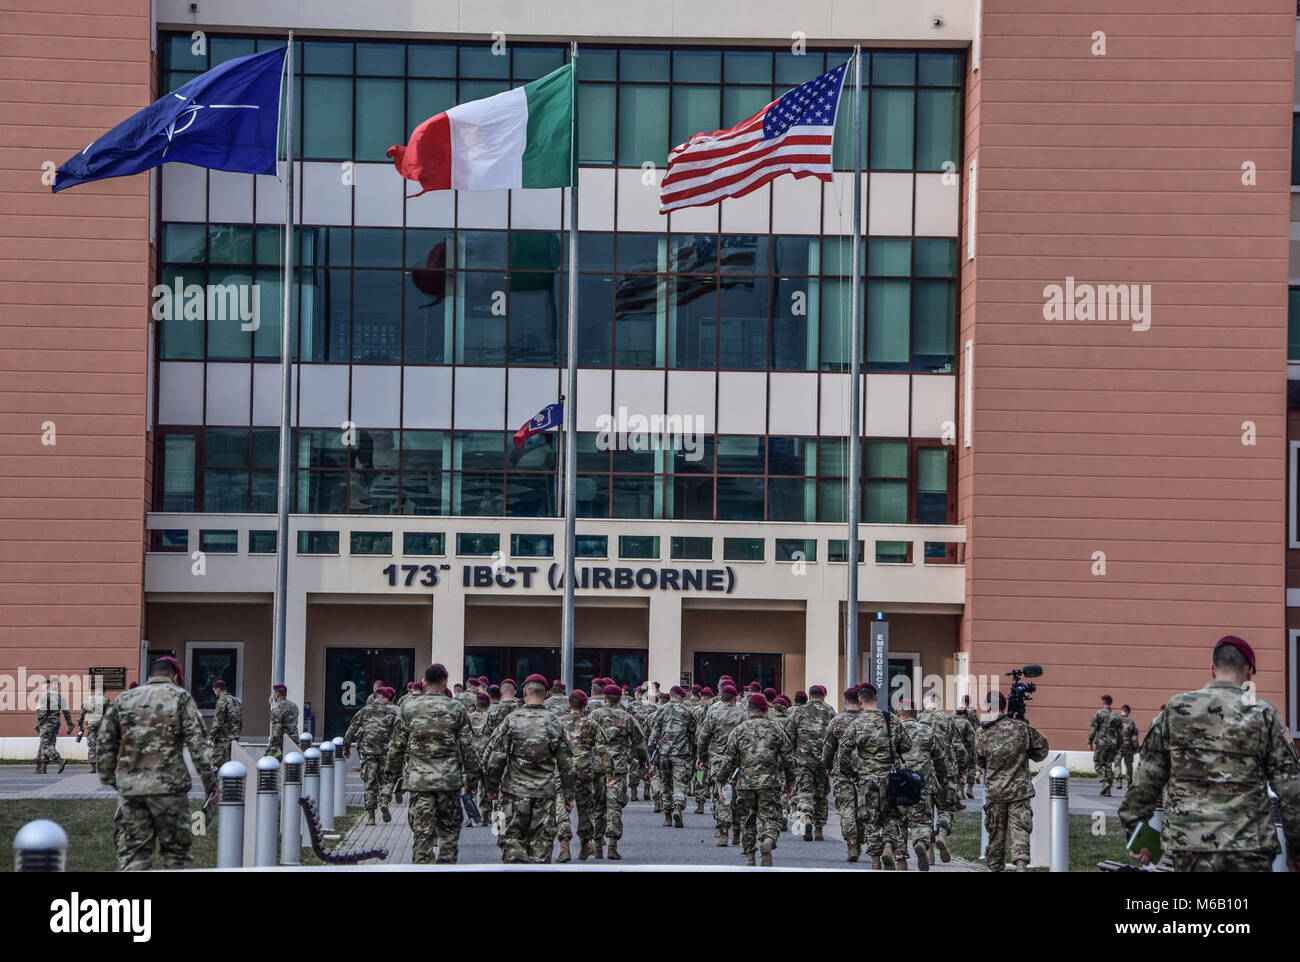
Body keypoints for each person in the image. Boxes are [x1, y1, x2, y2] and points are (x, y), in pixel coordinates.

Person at [1119, 636, 1300, 872]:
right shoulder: (1265, 714)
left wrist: (1135, 831)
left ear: (1212, 669)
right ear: (1250, 671)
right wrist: (1295, 849)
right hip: (1248, 846)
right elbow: (1290, 788)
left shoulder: (1175, 710)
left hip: (1190, 845)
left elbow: (1147, 777)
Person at [96, 656, 218, 870]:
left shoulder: (124, 699)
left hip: (131, 791)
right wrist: (211, 784)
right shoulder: (180, 698)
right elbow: (198, 745)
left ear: (150, 675)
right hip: (169, 790)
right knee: (177, 855)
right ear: (174, 676)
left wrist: (111, 779)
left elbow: (105, 743)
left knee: (134, 857)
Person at [384, 664, 478, 864]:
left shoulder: (409, 708)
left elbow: (396, 747)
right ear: (445, 682)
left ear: (424, 682)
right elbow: (469, 749)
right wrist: (473, 780)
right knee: (449, 836)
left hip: (420, 783)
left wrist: (391, 780)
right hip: (449, 783)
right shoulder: (457, 708)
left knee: (422, 836)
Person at [482, 674, 576, 864]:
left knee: (510, 841)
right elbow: (567, 764)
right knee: (541, 848)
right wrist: (568, 795)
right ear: (546, 694)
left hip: (513, 794)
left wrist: (491, 788)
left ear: (524, 693)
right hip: (545, 795)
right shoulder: (554, 722)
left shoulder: (511, 720)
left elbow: (496, 758)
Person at [975, 691, 1049, 872]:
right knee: (1020, 829)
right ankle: (1021, 865)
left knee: (996, 833)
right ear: (1004, 706)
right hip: (1019, 789)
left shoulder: (982, 732)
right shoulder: (1021, 728)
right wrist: (1026, 754)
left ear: (986, 707)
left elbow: (980, 761)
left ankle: (994, 867)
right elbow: (1042, 750)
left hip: (996, 791)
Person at [841, 683, 911, 870]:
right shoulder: (890, 719)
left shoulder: (857, 723)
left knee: (870, 820)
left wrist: (850, 773)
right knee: (891, 816)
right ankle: (889, 845)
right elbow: (906, 745)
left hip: (867, 778)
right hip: (890, 777)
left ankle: (875, 860)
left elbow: (843, 752)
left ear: (860, 700)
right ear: (876, 697)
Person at [722, 693, 795, 867]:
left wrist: (721, 781)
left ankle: (749, 858)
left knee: (747, 821)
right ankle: (768, 840)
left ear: (748, 708)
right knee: (771, 818)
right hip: (769, 783)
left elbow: (729, 760)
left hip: (745, 783)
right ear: (766, 709)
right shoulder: (776, 729)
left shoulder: (739, 730)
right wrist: (790, 782)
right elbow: (788, 759)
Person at [588, 682, 649, 859]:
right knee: (614, 806)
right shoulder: (627, 718)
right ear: (620, 699)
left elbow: (585, 740)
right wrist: (644, 761)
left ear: (605, 699)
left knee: (597, 807)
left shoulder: (594, 716)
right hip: (618, 769)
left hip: (597, 766)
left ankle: (598, 845)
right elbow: (639, 743)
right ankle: (612, 846)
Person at [895, 699, 953, 871]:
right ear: (916, 713)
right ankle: (920, 842)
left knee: (899, 823)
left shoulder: (893, 731)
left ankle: (901, 861)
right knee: (921, 822)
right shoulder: (927, 731)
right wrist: (943, 778)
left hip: (897, 785)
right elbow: (940, 758)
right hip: (921, 785)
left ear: (899, 713)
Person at [697, 683, 748, 846]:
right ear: (735, 697)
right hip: (739, 760)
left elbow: (703, 738)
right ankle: (738, 830)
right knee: (739, 795)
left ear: (721, 697)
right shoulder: (743, 713)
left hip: (719, 759)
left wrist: (702, 758)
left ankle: (723, 831)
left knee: (722, 795)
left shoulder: (713, 713)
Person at [786, 684, 836, 842]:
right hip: (823, 761)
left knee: (805, 792)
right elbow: (836, 736)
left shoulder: (798, 711)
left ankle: (806, 815)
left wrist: (792, 756)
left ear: (809, 696)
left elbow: (789, 736)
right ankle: (819, 829)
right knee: (821, 795)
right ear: (824, 696)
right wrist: (832, 761)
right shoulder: (829, 711)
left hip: (803, 760)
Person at [343, 685, 399, 825]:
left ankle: (371, 817)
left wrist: (346, 748)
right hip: (386, 752)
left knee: (369, 783)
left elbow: (351, 730)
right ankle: (384, 800)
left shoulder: (364, 711)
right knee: (387, 779)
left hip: (368, 752)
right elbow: (399, 733)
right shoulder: (392, 712)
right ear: (381, 697)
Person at [917, 690, 962, 861]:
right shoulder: (949, 719)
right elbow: (958, 747)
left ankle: (928, 852)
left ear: (924, 703)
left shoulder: (918, 720)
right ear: (940, 703)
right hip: (946, 772)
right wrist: (962, 769)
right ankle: (941, 834)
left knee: (925, 812)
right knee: (946, 808)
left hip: (924, 772)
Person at [822, 686, 864, 861]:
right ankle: (861, 840)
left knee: (846, 808)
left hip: (843, 771)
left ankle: (852, 842)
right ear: (860, 700)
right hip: (865, 771)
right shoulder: (867, 721)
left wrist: (828, 765)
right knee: (862, 807)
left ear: (845, 700)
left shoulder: (837, 721)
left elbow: (829, 747)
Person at [559, 689, 601, 861]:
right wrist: (605, 772)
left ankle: (564, 846)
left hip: (563, 769)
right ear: (585, 706)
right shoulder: (591, 724)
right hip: (584, 769)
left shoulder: (558, 723)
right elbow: (601, 750)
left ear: (569, 704)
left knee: (561, 806)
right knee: (585, 809)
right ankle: (585, 845)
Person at [647, 685, 697, 828]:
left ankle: (667, 816)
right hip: (681, 754)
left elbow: (654, 733)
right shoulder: (688, 711)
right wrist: (694, 751)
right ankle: (678, 807)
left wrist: (652, 752)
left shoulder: (661, 710)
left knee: (665, 784)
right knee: (679, 783)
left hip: (663, 753)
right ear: (680, 697)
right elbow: (692, 734)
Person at [34, 679, 74, 774]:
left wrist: (40, 722)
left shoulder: (45, 695)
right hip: (56, 724)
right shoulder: (60, 696)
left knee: (45, 744)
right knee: (47, 744)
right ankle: (41, 768)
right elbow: (66, 712)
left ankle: (59, 759)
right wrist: (69, 724)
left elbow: (42, 712)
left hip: (47, 723)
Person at [1087, 694, 1123, 796]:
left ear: (1103, 702)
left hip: (1101, 743)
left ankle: (1104, 782)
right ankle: (1108, 791)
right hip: (1112, 744)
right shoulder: (1116, 716)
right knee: (1108, 765)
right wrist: (1119, 745)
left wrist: (1090, 742)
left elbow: (1093, 729)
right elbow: (1120, 732)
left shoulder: (1098, 714)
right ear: (1111, 703)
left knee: (1098, 764)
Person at [466, 690, 491, 824]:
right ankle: (486, 813)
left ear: (476, 703)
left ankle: (471, 816)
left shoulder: (468, 716)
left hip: (472, 752)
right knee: (486, 785)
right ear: (488, 705)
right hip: (486, 752)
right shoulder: (490, 717)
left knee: (470, 785)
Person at [207, 679, 242, 768]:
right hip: (234, 740)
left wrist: (211, 738)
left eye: (214, 691)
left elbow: (218, 722)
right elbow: (240, 720)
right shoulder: (237, 701)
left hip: (222, 741)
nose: (215, 693)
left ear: (218, 690)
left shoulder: (221, 701)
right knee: (230, 767)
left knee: (217, 767)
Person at [75, 685, 112, 771]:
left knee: (92, 743)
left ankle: (92, 766)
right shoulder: (106, 700)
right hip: (102, 724)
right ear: (104, 691)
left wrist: (80, 724)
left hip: (91, 724)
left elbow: (82, 713)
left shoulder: (88, 700)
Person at [265, 684, 300, 758]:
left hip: (282, 743)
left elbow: (276, 728)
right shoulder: (294, 706)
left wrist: (274, 745)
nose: (273, 695)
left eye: (274, 693)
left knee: (266, 762)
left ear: (277, 694)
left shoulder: (277, 710)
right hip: (294, 741)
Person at [1116, 704, 1139, 790]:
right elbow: (1134, 737)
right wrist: (1136, 747)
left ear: (1121, 710)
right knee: (1129, 764)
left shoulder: (1116, 721)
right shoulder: (1131, 722)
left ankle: (1119, 779)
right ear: (1129, 712)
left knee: (1117, 763)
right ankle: (1129, 782)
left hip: (1118, 747)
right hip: (1128, 746)